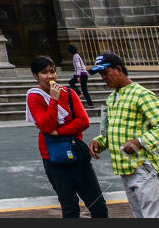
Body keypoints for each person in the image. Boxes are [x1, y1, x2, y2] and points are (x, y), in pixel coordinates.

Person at [88, 51, 159, 217]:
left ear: (119, 69)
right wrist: (100, 141)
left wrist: (139, 141)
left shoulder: (142, 94)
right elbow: (109, 130)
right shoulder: (111, 98)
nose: (103, 78)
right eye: (100, 75)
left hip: (143, 168)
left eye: (106, 73)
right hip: (125, 170)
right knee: (140, 215)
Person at [27, 55, 108, 218]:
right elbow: (47, 126)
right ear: (36, 76)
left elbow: (83, 121)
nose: (50, 76)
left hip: (76, 152)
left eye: (53, 71)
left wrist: (59, 131)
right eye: (44, 73)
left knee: (98, 205)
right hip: (53, 157)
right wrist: (54, 101)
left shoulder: (69, 93)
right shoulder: (34, 97)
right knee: (70, 207)